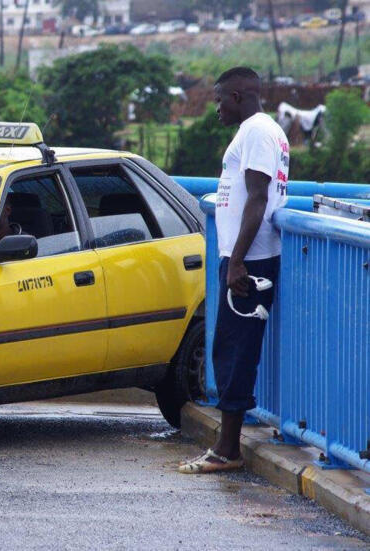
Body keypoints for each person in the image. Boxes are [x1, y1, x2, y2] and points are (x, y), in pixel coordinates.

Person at [179, 67, 288, 474]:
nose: (216, 107)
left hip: (251, 262)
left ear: (239, 96)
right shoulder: (262, 130)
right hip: (246, 257)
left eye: (220, 98)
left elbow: (258, 199)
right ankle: (227, 447)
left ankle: (227, 450)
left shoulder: (258, 132)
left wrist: (237, 260)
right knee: (231, 349)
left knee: (234, 353)